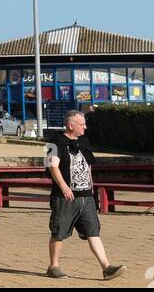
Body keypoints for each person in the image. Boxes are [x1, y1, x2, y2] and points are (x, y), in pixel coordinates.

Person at [44, 110, 125, 281]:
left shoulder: (84, 141)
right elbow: (52, 167)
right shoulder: (54, 142)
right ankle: (54, 266)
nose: (85, 127)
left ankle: (106, 267)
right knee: (59, 232)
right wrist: (64, 187)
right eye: (82, 124)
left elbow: (88, 164)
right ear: (71, 125)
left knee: (93, 231)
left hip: (86, 196)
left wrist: (91, 185)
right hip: (64, 197)